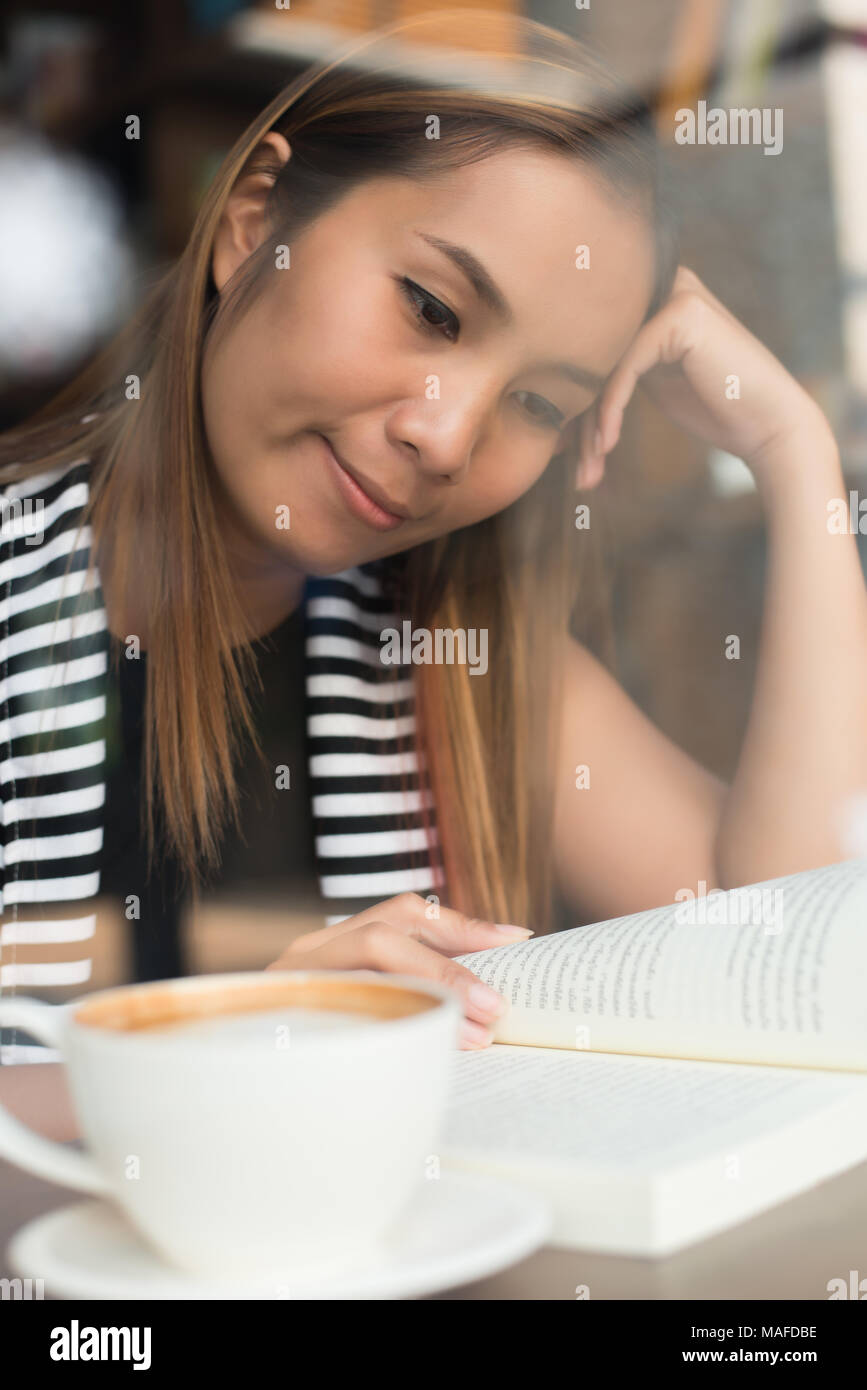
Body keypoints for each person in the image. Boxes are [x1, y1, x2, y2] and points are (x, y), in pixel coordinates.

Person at [1, 12, 864, 1061]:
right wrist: (226, 1049)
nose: (448, 437)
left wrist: (794, 452)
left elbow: (795, 961)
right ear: (253, 218)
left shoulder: (470, 670)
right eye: (431, 308)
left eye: (543, 404)